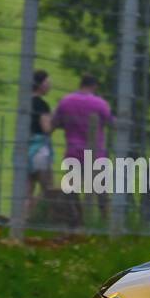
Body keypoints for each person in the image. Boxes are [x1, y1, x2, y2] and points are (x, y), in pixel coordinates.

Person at [51, 74, 114, 223]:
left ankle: (76, 222)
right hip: (97, 155)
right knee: (102, 193)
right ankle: (105, 223)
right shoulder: (100, 103)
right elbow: (111, 122)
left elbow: (55, 122)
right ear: (94, 86)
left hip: (74, 152)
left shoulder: (65, 101)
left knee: (72, 191)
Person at [26, 70, 57, 225]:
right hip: (40, 152)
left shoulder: (24, 101)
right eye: (47, 82)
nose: (50, 85)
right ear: (40, 84)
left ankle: (24, 220)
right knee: (48, 188)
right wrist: (55, 122)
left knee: (27, 190)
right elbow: (46, 128)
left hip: (24, 150)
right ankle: (34, 218)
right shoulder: (41, 104)